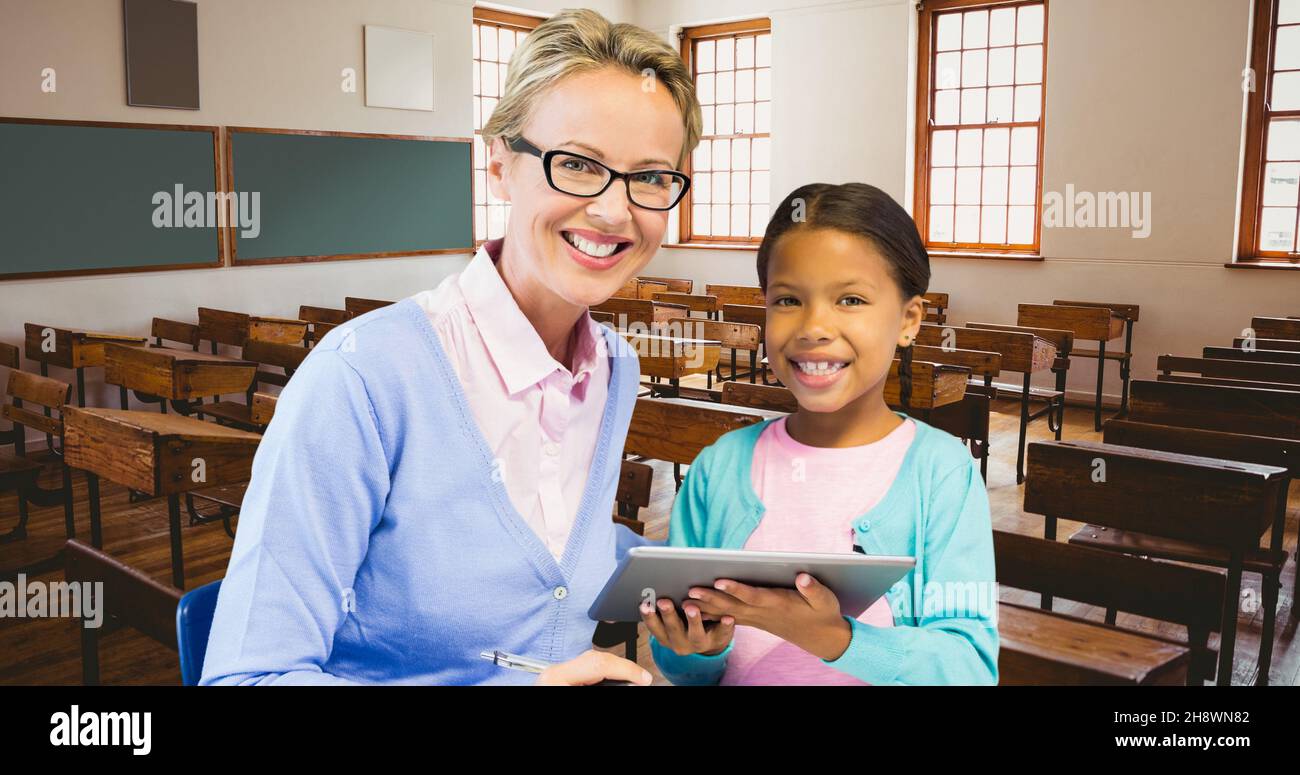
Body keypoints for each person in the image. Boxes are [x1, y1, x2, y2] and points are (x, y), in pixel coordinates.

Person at [200, 9, 701, 685]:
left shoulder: (615, 366)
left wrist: (683, 582)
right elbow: (246, 678)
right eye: (578, 164)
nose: (615, 211)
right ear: (500, 163)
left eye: (650, 177)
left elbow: (548, 543)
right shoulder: (363, 380)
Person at [643, 183, 999, 685]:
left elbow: (968, 670)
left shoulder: (943, 474)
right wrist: (699, 648)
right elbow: (683, 665)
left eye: (850, 299)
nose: (814, 326)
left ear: (909, 319)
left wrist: (835, 639)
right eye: (788, 299)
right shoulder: (719, 467)